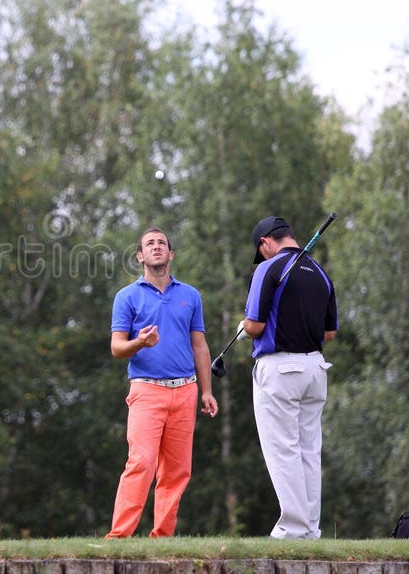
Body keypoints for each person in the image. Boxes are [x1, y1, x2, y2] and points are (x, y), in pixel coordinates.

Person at [105, 226, 218, 539]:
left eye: (161, 243)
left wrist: (207, 390)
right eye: (149, 244)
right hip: (146, 390)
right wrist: (139, 342)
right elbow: (117, 348)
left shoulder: (190, 295)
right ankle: (120, 535)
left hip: (186, 390)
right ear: (140, 256)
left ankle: (162, 538)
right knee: (141, 461)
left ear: (171, 254)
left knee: (177, 470)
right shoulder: (126, 297)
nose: (156, 247)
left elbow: (199, 345)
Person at [240, 216, 338, 540]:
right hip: (315, 369)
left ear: (266, 242)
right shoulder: (321, 273)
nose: (263, 256)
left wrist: (244, 328)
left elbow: (254, 325)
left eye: (262, 251)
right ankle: (310, 529)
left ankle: (292, 528)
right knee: (309, 450)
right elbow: (330, 332)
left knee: (283, 449)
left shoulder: (268, 269)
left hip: (280, 370)